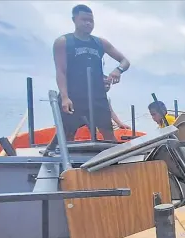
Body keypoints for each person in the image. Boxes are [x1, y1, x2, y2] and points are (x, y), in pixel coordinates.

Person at [53, 4, 130, 142]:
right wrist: (65, 97)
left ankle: (114, 162)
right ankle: (67, 162)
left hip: (97, 96)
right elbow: (61, 71)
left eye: (91, 20)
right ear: (74, 20)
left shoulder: (100, 43)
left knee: (109, 136)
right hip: (73, 96)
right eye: (84, 20)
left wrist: (118, 71)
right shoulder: (63, 42)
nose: (88, 23)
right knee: (67, 137)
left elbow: (125, 61)